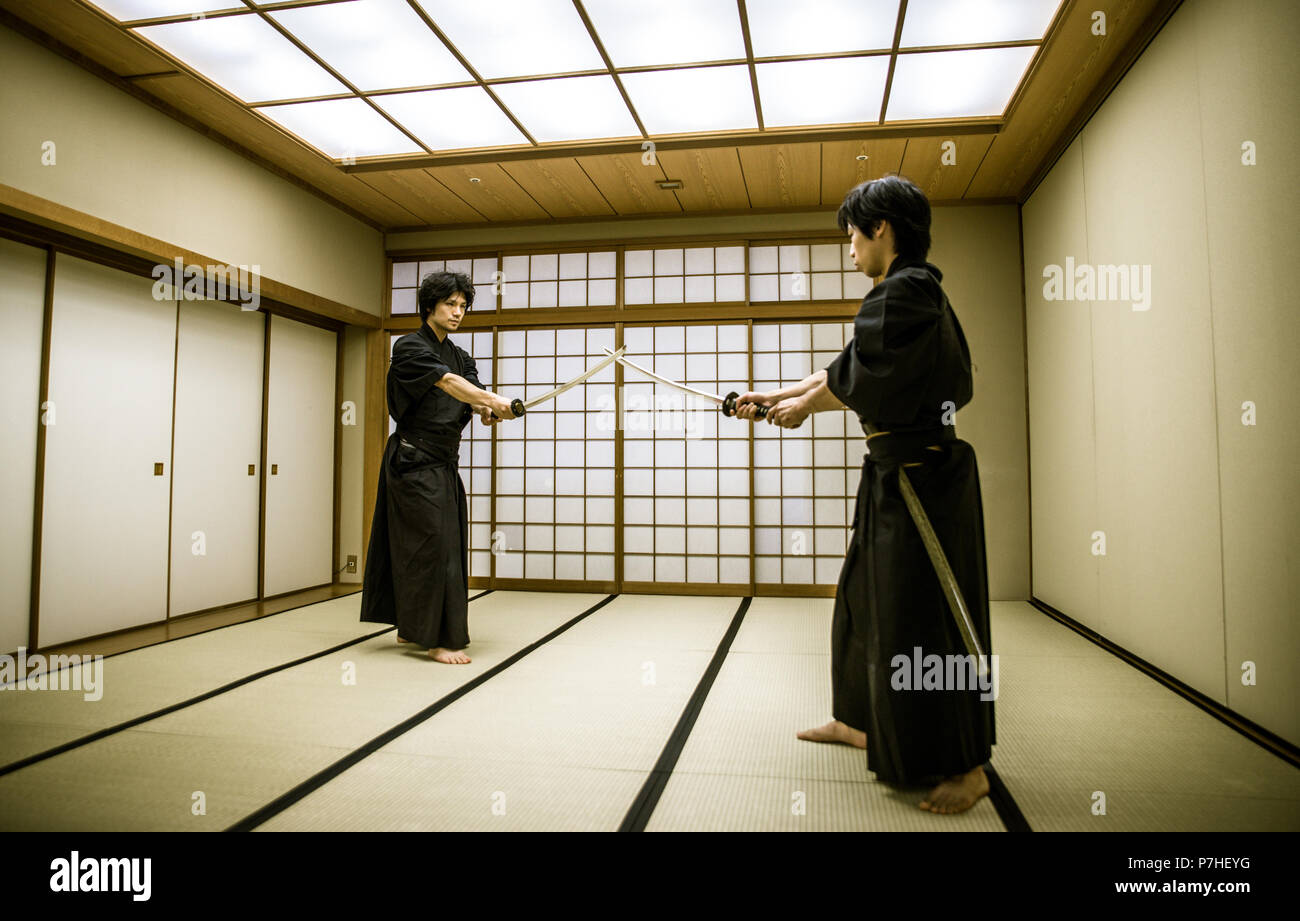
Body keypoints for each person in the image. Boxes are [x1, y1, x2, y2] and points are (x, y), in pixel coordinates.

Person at [735, 176, 994, 815]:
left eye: (852, 234)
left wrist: (802, 411)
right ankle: (858, 719)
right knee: (862, 600)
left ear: (881, 229)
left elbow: (855, 379)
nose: (848, 248)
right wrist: (775, 397)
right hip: (891, 473)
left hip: (922, 478)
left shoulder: (908, 292)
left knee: (932, 618)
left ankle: (970, 763)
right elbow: (842, 368)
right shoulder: (899, 295)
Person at [360, 270, 516, 664]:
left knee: (440, 545)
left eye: (463, 306)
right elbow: (446, 383)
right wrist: (492, 398)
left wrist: (490, 410)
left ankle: (412, 626)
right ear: (429, 305)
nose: (458, 312)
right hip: (412, 462)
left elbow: (474, 401)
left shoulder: (462, 356)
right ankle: (439, 639)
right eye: (450, 304)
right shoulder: (409, 347)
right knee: (433, 548)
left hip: (443, 464)